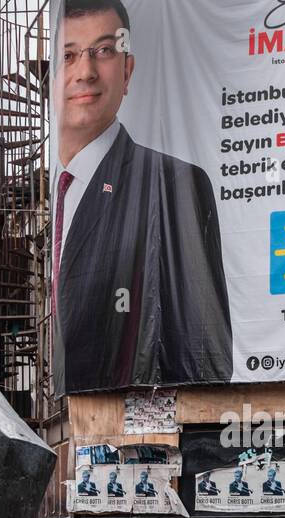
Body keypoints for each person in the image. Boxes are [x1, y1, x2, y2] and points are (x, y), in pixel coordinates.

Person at [54, 0, 232, 394]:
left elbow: (203, 347)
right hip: (70, 415)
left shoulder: (175, 183)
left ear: (127, 70)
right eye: (67, 55)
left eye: (103, 51)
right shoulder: (57, 191)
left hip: (141, 424)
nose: (84, 72)